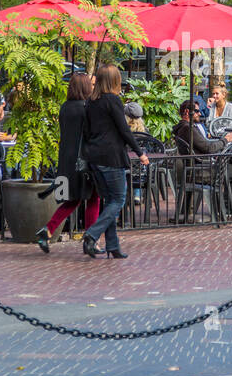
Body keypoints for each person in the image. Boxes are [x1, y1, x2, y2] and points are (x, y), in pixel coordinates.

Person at [81, 64, 149, 258]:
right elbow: (124, 129)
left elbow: (87, 131)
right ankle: (92, 234)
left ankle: (113, 245)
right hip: (111, 157)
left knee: (109, 200)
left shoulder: (91, 102)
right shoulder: (113, 100)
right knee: (118, 199)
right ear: (114, 81)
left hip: (94, 157)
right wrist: (139, 152)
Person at [37, 73, 100, 253]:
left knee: (74, 198)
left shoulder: (65, 107)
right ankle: (91, 238)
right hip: (84, 160)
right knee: (93, 197)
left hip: (66, 159)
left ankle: (48, 229)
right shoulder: (86, 108)